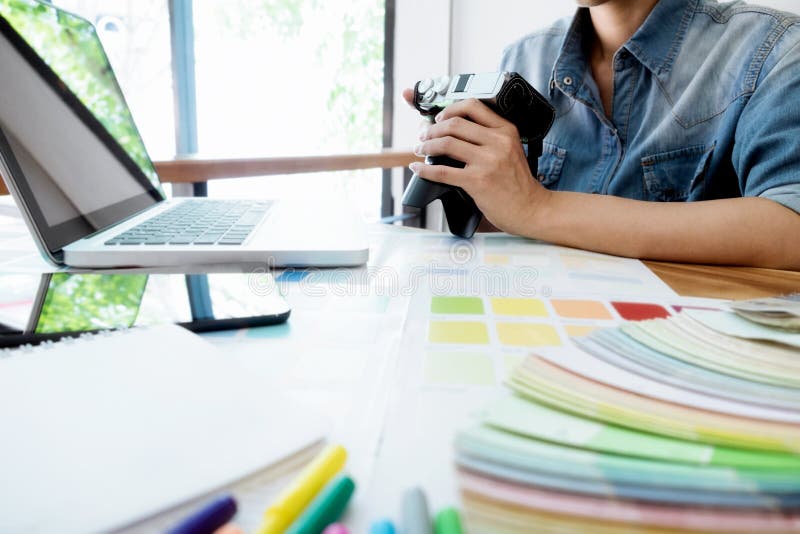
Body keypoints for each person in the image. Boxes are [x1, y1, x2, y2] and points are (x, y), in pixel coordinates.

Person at [406, 0, 800, 269]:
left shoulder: (773, 50)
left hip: (691, 364)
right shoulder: (524, 59)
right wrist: (477, 184)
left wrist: (537, 207)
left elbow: (790, 227)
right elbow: (516, 234)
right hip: (546, 336)